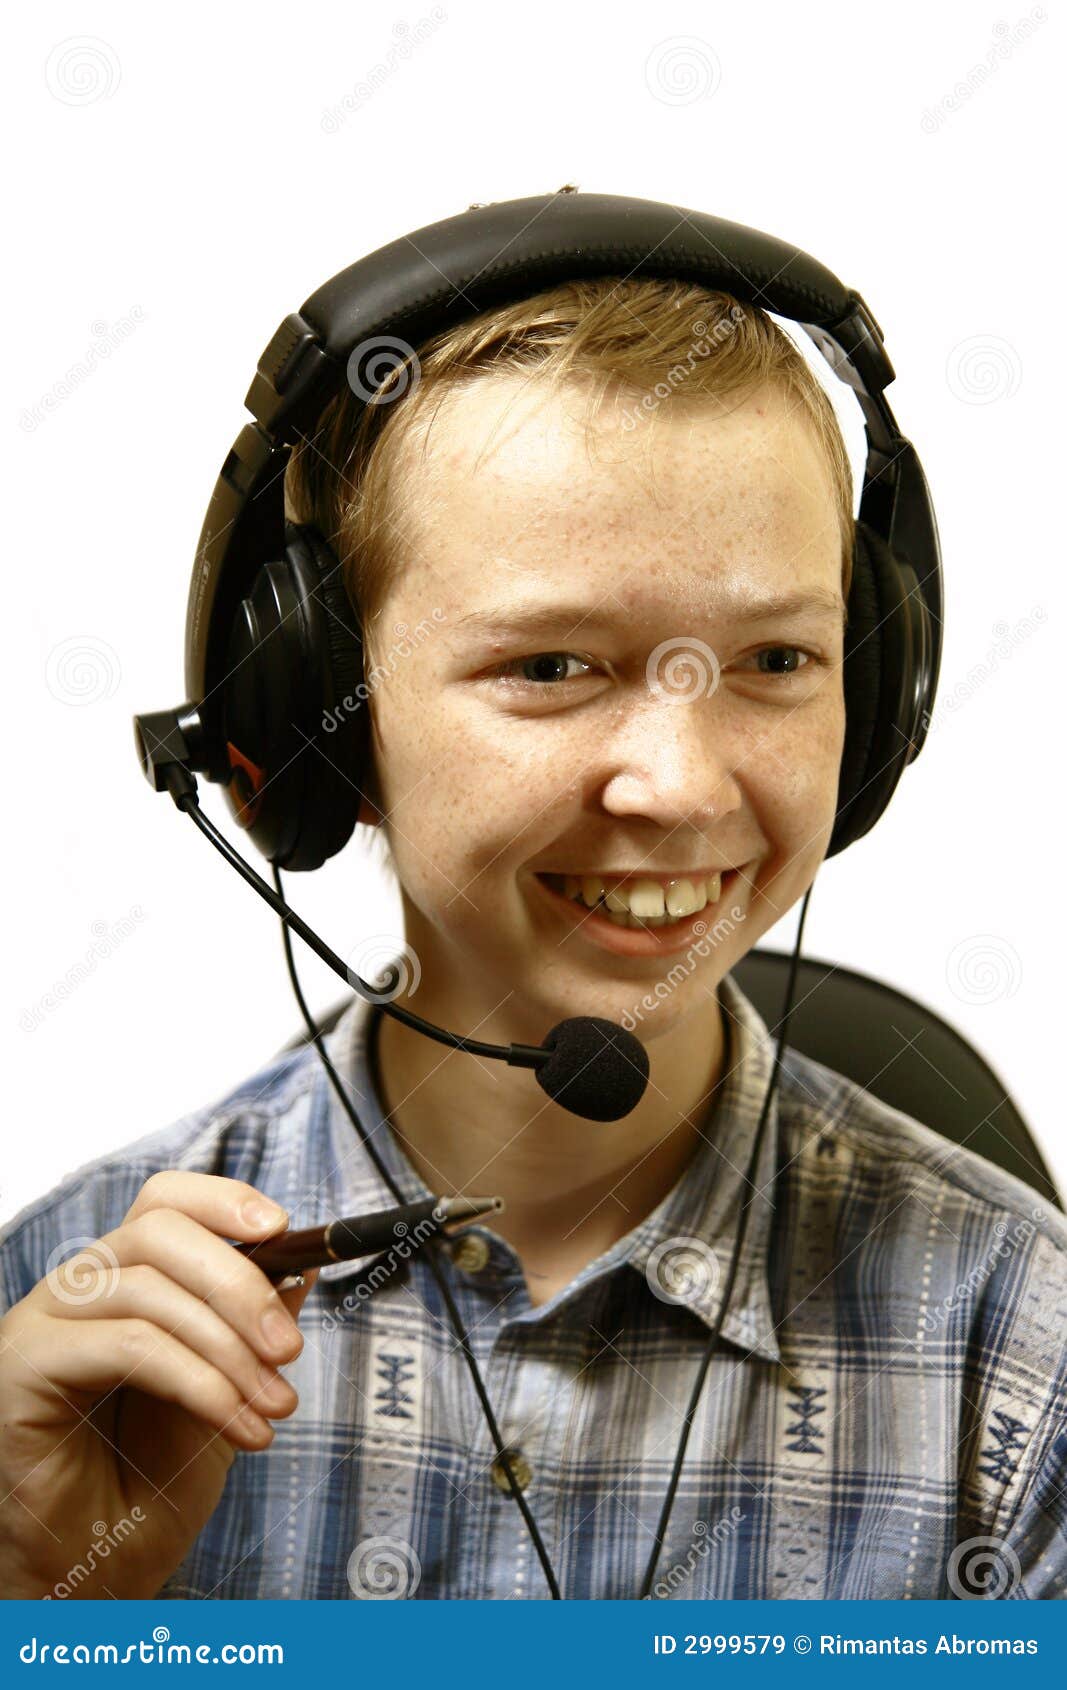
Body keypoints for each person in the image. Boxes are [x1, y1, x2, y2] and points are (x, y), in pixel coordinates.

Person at [1, 280, 1064, 1602]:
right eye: (553, 666)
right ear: (318, 716)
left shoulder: (1024, 1371)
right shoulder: (54, 1328)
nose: (678, 786)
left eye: (778, 658)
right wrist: (41, 1614)